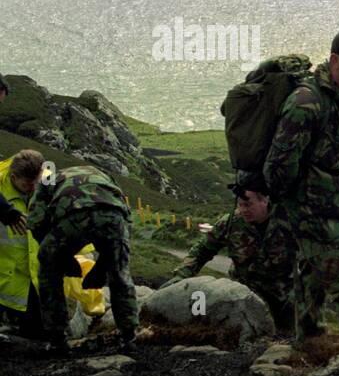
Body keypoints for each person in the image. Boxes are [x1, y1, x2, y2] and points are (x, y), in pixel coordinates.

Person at [264, 27, 339, 342]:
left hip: (335, 211)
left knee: (311, 289)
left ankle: (307, 348)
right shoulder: (306, 101)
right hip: (313, 216)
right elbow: (278, 168)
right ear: (335, 60)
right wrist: (301, 208)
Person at [26, 164, 137, 354]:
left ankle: (57, 340)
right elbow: (124, 213)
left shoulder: (48, 180)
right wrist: (103, 265)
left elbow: (35, 222)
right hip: (113, 217)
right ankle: (129, 337)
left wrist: (63, 259)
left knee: (48, 272)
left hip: (72, 218)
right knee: (120, 274)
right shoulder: (102, 173)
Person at [162, 176, 296, 333]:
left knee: (294, 337)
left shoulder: (289, 222)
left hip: (285, 294)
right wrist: (182, 274)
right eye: (240, 205)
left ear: (265, 201)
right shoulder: (231, 223)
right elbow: (203, 249)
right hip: (246, 293)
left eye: (248, 205)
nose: (243, 210)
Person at [0, 150, 46, 338]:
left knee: (37, 333)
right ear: (13, 177)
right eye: (28, 184)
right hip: (3, 271)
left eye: (37, 182)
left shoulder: (46, 183)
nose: (34, 188)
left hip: (30, 274)